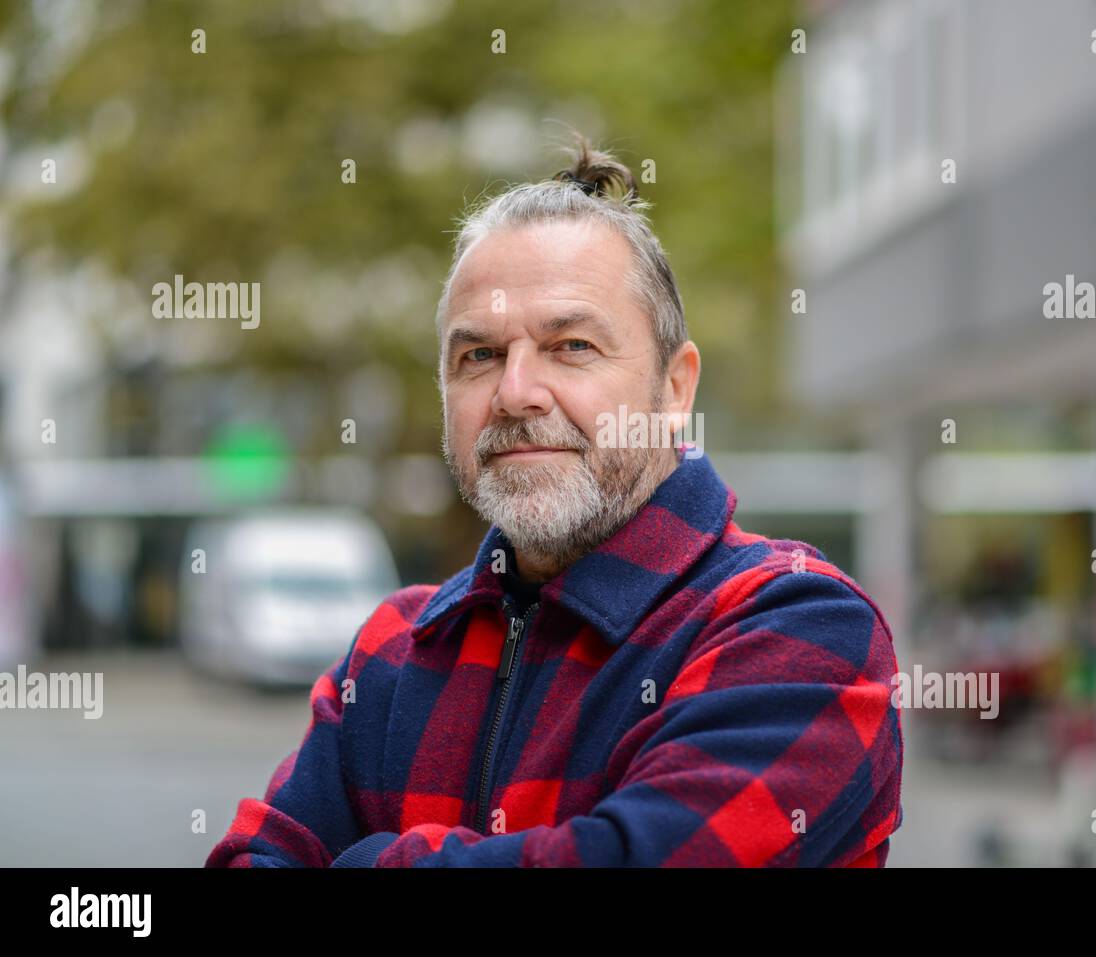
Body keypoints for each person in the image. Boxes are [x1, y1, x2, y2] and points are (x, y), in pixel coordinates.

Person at [205, 131, 903, 867]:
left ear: (675, 388)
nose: (514, 393)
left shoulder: (800, 630)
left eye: (572, 346)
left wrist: (369, 857)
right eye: (479, 355)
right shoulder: (393, 651)